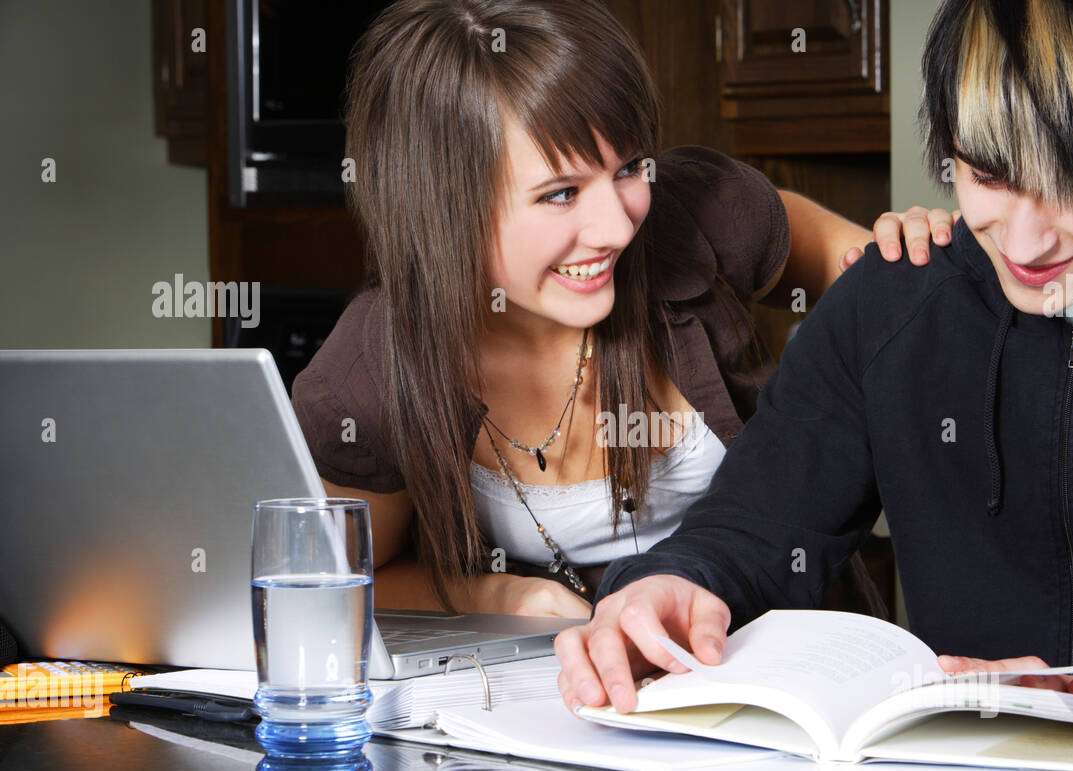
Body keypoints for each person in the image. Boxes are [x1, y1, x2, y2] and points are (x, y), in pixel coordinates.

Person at [555, 0, 1073, 771]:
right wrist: (673, 582)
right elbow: (758, 523)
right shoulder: (896, 302)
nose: (1021, 239)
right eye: (987, 176)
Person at [291, 0, 951, 620]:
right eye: (560, 194)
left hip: (787, 667)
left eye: (630, 167)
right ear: (440, 208)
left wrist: (907, 249)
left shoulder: (702, 211)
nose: (616, 226)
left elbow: (883, 291)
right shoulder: (368, 375)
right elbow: (345, 582)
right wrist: (496, 596)